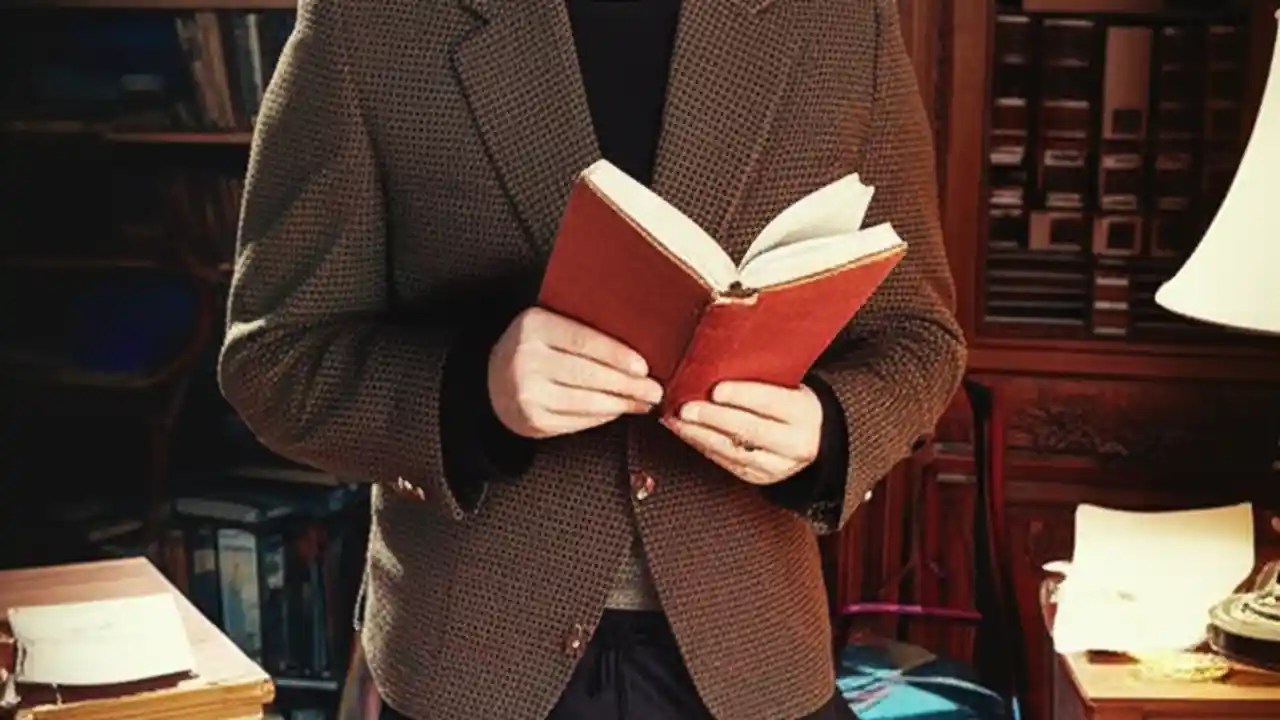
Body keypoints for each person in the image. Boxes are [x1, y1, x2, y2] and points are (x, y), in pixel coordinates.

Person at [218, 0, 966, 718]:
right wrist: (473, 397)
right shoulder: (369, 19)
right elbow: (274, 358)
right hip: (470, 664)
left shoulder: (842, 16)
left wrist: (828, 432)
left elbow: (919, 338)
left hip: (754, 655)